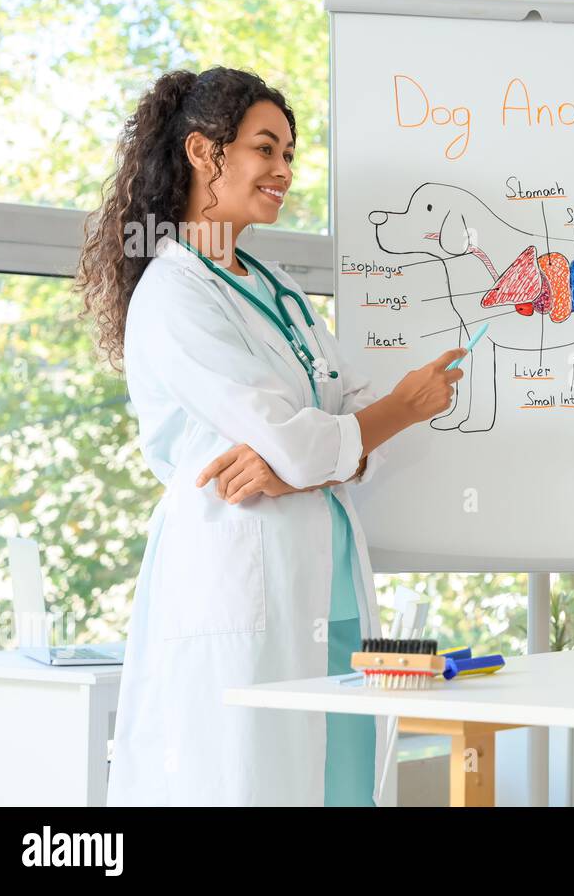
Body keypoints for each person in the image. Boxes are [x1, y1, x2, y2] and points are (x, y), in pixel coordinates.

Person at [76, 66, 465, 805]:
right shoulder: (173, 294)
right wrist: (399, 410)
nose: (285, 171)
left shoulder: (273, 284)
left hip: (331, 577)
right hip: (241, 580)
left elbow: (341, 420)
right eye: (266, 150)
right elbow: (319, 433)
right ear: (203, 153)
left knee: (343, 780)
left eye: (289, 153)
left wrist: (308, 461)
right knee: (253, 781)